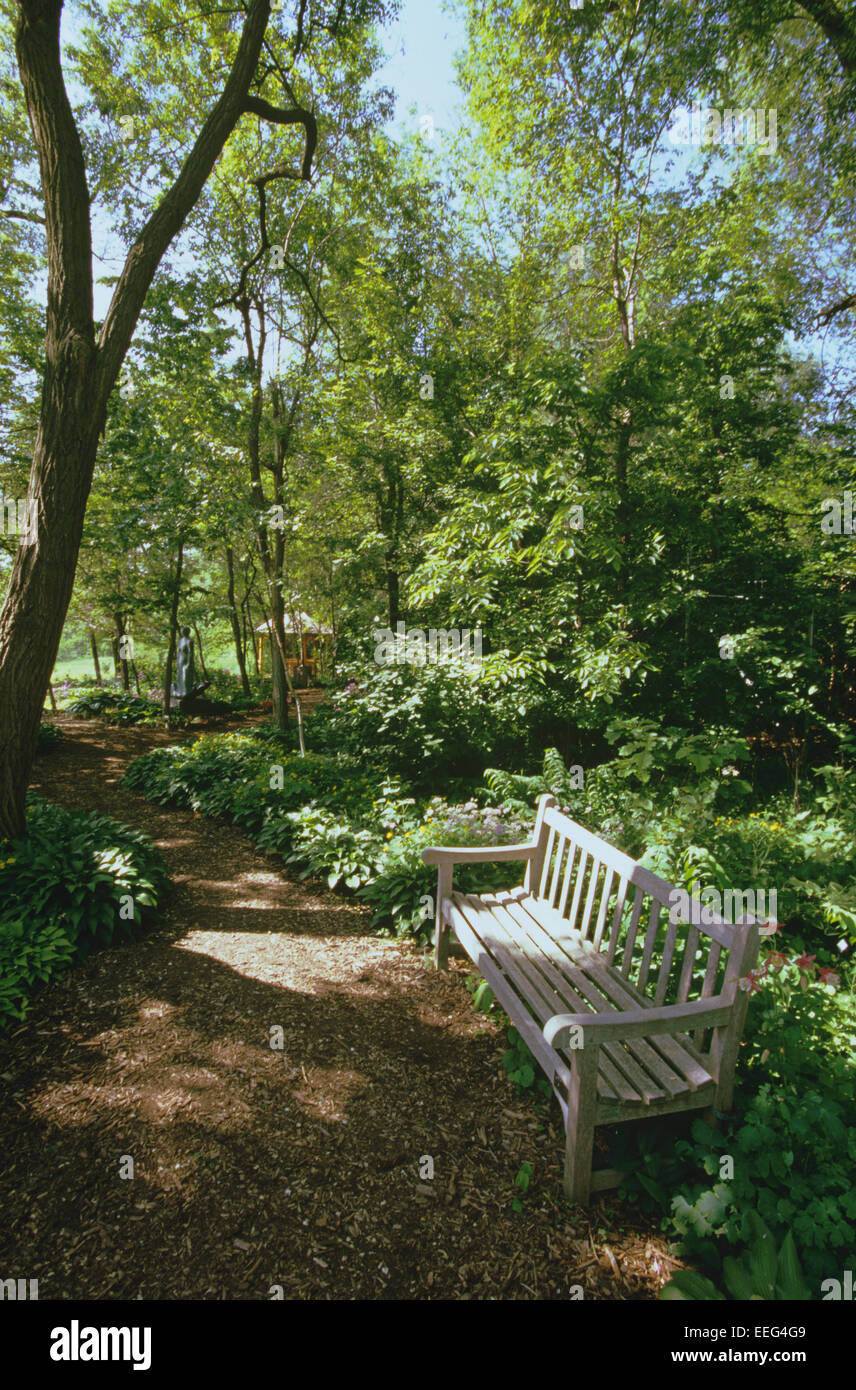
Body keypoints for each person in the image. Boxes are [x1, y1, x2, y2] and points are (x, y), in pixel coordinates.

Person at [175, 626, 195, 698]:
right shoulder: (181, 640)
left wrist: (189, 663)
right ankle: (180, 691)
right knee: (179, 676)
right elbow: (178, 652)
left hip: (186, 660)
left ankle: (186, 692)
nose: (183, 632)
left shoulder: (190, 641)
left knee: (185, 676)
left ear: (188, 632)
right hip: (180, 660)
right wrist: (177, 661)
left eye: (184, 630)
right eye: (182, 630)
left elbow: (191, 653)